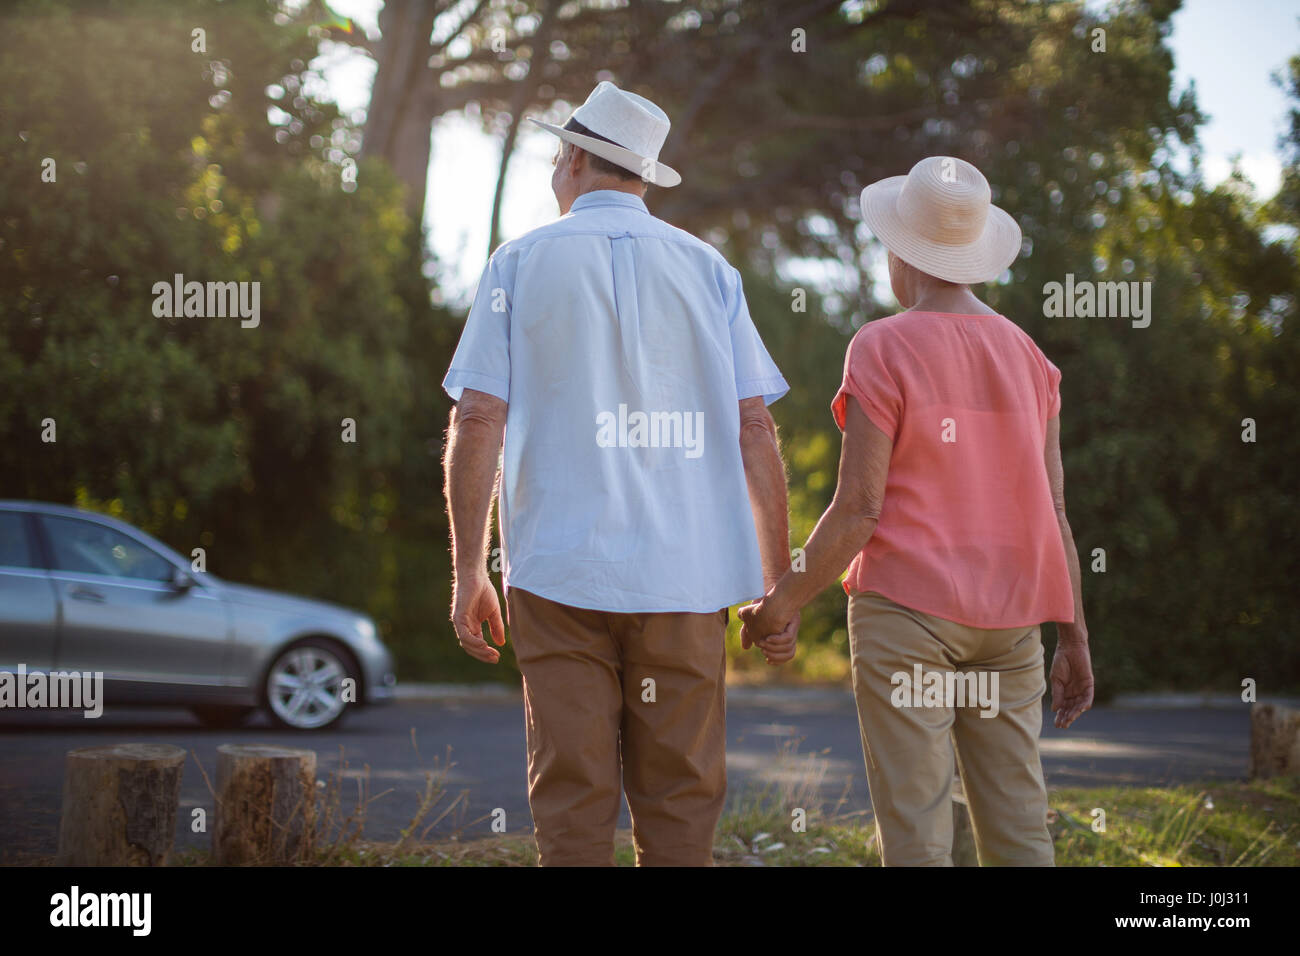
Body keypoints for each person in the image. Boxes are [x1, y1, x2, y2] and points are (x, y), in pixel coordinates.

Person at [441, 81, 796, 866]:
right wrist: (777, 583)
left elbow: (477, 419)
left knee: (571, 798)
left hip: (558, 573)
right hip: (688, 578)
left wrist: (470, 569)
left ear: (572, 158)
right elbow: (755, 428)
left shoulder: (519, 261)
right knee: (681, 799)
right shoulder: (710, 271)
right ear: (640, 173)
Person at [739, 155, 1095, 866]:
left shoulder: (882, 345)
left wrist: (781, 602)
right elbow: (1054, 508)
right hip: (1014, 623)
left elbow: (859, 508)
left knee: (917, 833)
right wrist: (1075, 637)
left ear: (903, 253)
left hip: (907, 615)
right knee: (1020, 829)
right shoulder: (1030, 358)